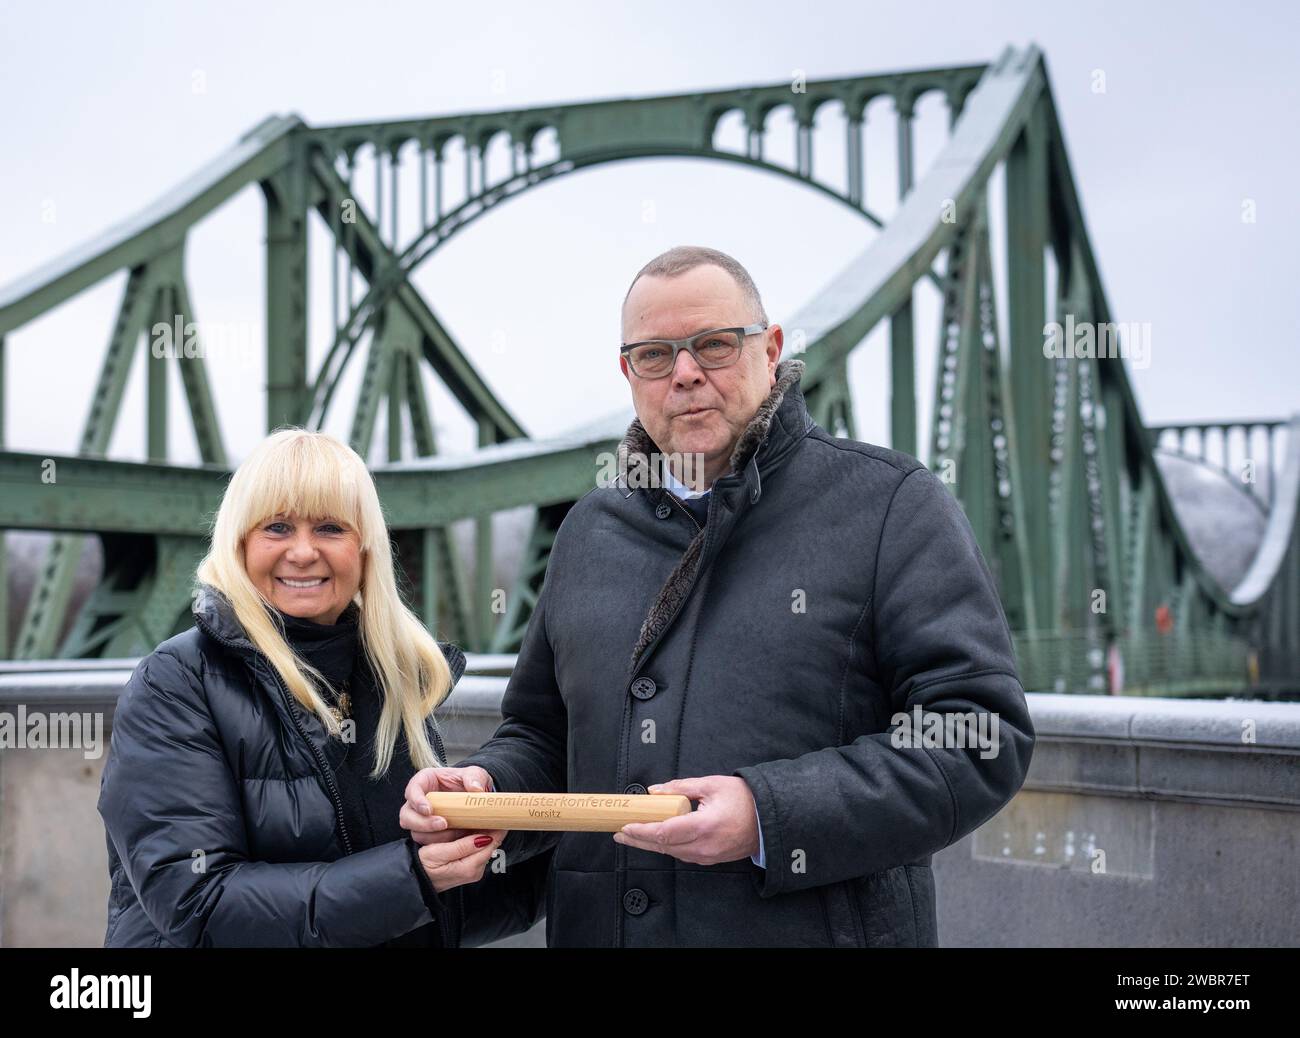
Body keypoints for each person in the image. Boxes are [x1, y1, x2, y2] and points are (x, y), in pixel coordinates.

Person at [402, 245, 1036, 947]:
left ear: (771, 350)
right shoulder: (587, 530)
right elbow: (544, 734)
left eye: (713, 344)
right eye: (655, 354)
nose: (685, 373)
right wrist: (489, 788)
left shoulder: (891, 506)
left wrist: (770, 816)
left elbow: (979, 734)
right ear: (629, 373)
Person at [98, 428, 547, 946]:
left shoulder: (387, 677)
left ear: (365, 549)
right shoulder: (176, 684)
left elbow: (428, 911)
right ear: (239, 543)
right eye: (278, 527)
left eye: (331, 528)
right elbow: (197, 902)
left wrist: (573, 848)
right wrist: (412, 876)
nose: (304, 552)